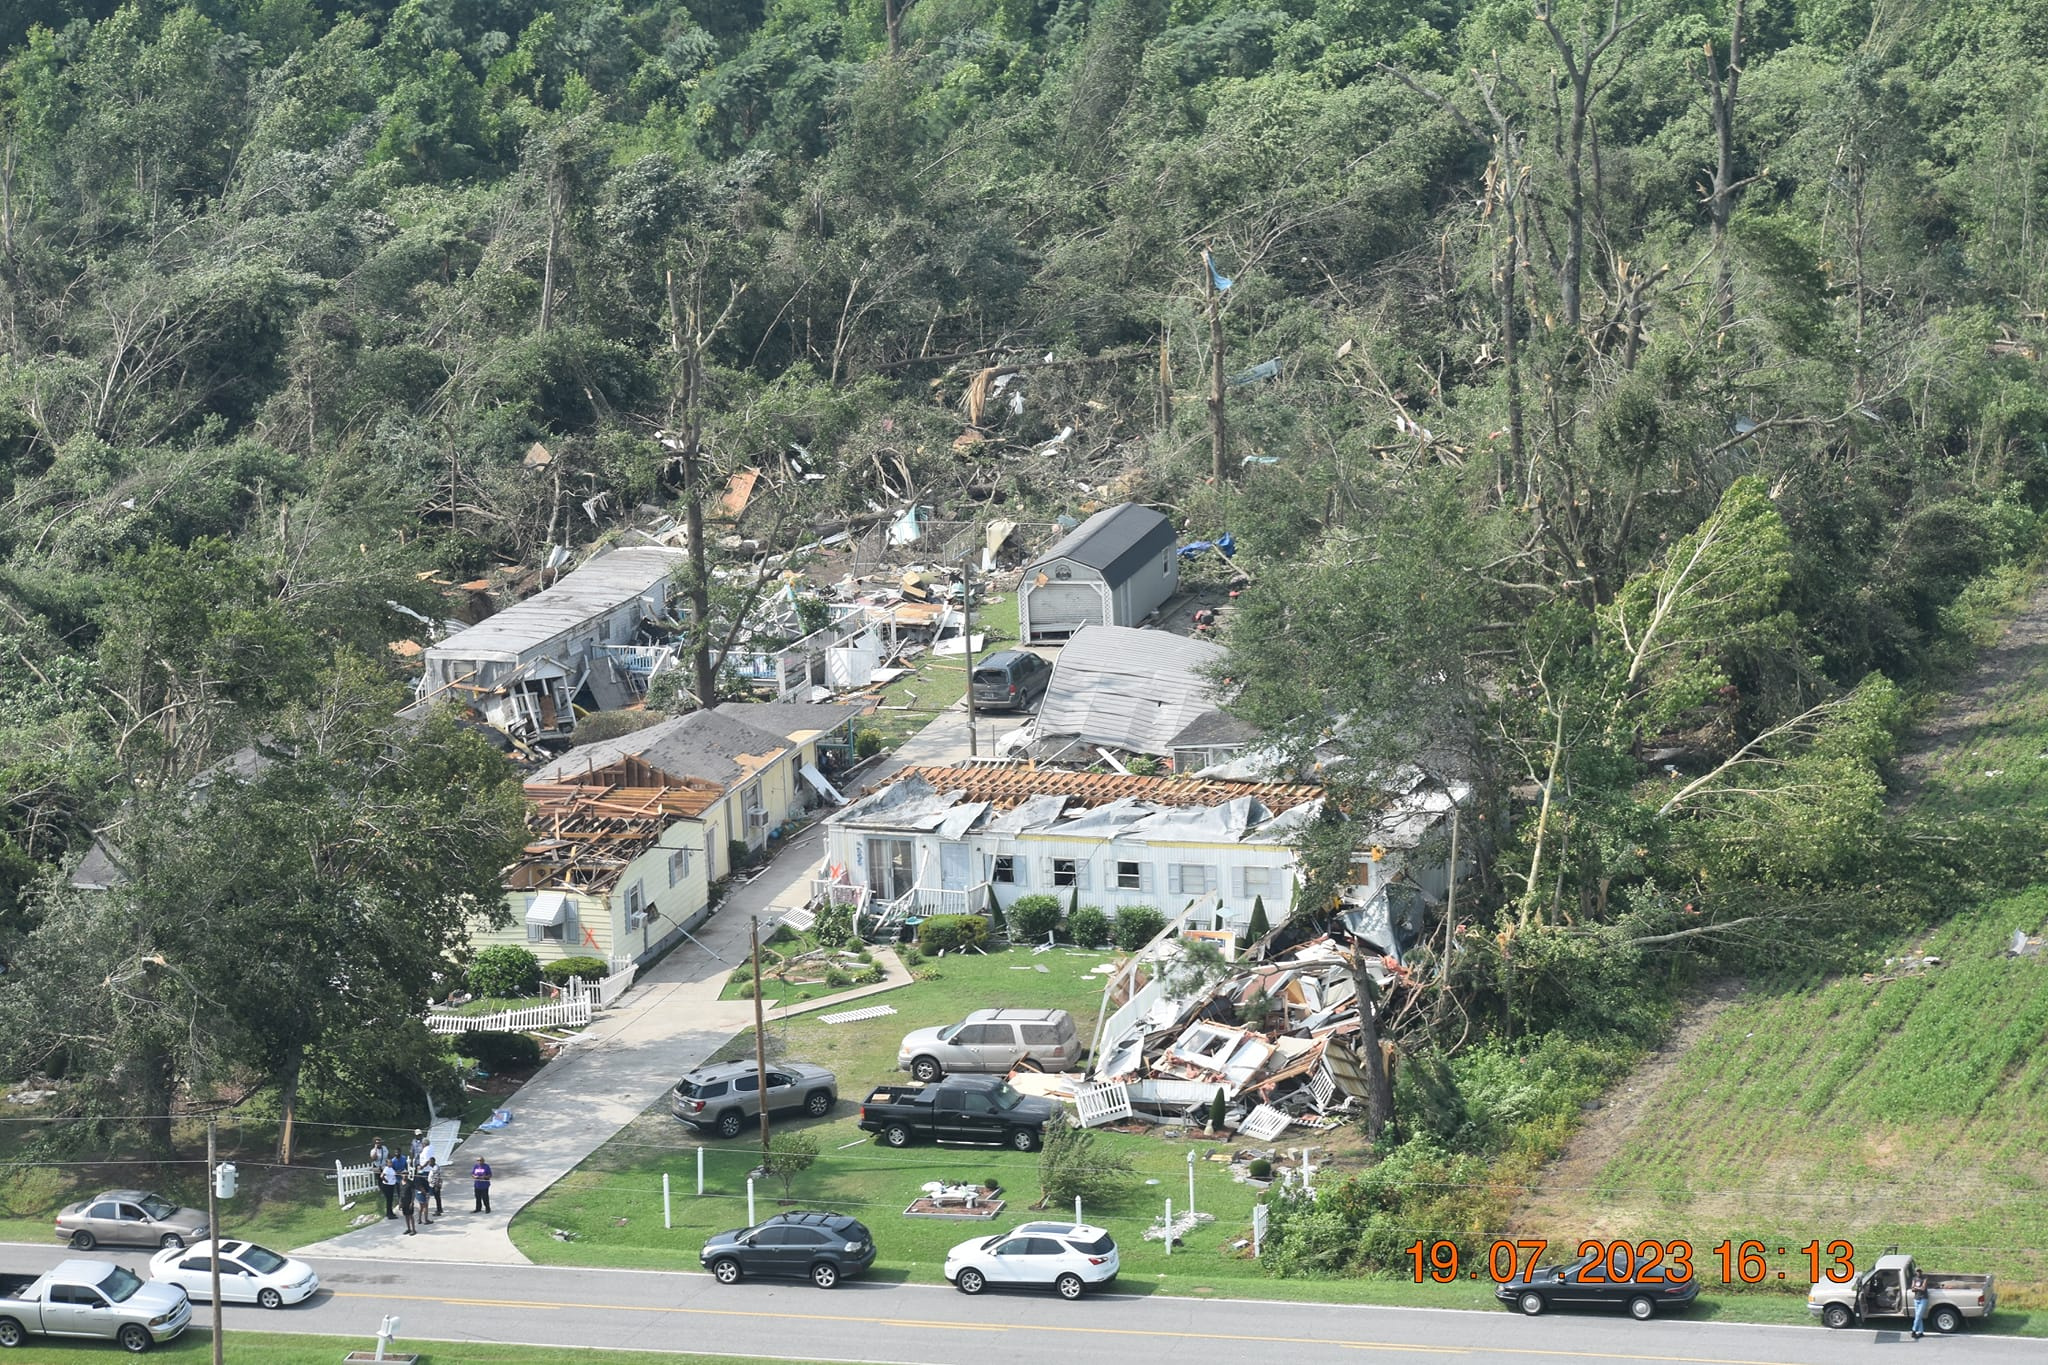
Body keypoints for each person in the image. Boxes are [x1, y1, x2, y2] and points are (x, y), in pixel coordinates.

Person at [1910, 1272, 1929, 1339]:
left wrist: (1916, 1287)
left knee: (1918, 1315)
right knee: (1918, 1316)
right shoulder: (1914, 1279)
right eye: (1917, 1271)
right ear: (1916, 1272)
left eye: (1920, 1271)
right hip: (1916, 1299)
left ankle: (1913, 1330)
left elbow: (1923, 1288)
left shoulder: (1924, 1278)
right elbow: (1912, 1289)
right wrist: (1918, 1288)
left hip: (1923, 1299)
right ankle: (1921, 1332)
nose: (1918, 1273)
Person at [399, 1171, 418, 1235]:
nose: (405, 1175)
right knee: (406, 1215)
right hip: (403, 1201)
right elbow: (400, 1193)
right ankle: (408, 1229)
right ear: (401, 1175)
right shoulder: (400, 1183)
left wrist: (412, 1202)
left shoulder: (410, 1183)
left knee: (410, 1216)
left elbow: (413, 1193)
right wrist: (400, 1202)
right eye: (403, 1174)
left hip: (409, 1201)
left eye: (406, 1174)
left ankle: (414, 1230)